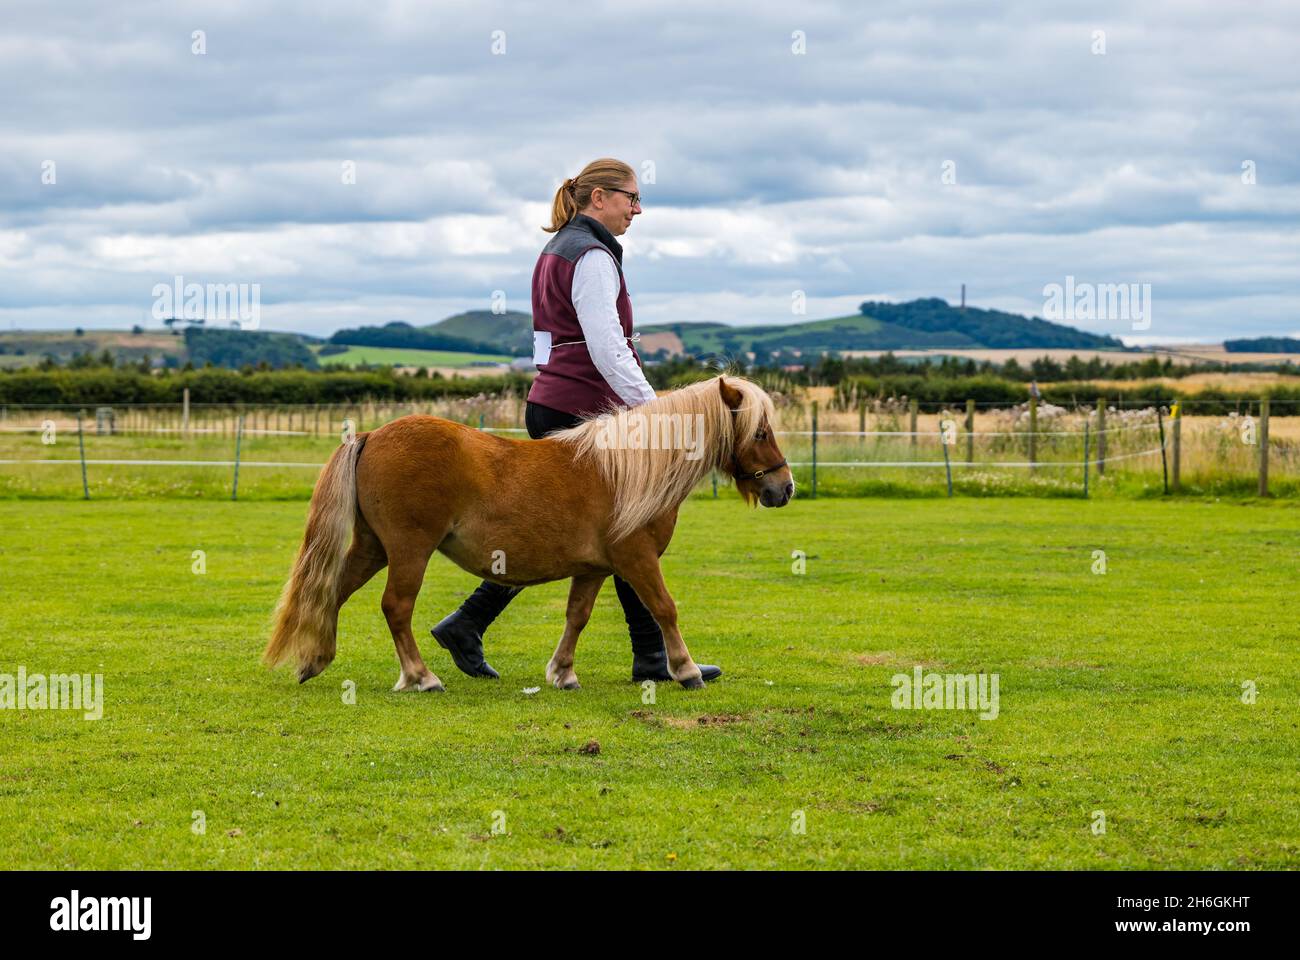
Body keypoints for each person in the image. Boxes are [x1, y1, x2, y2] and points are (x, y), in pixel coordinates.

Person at [431, 157, 722, 684]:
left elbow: (545, 342)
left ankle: (470, 624)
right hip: (586, 405)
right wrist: (652, 408)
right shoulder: (591, 255)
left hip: (555, 397)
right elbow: (607, 344)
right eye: (631, 198)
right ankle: (654, 661)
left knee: (579, 529)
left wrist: (556, 381)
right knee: (626, 530)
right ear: (598, 198)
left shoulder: (555, 250)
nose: (637, 209)